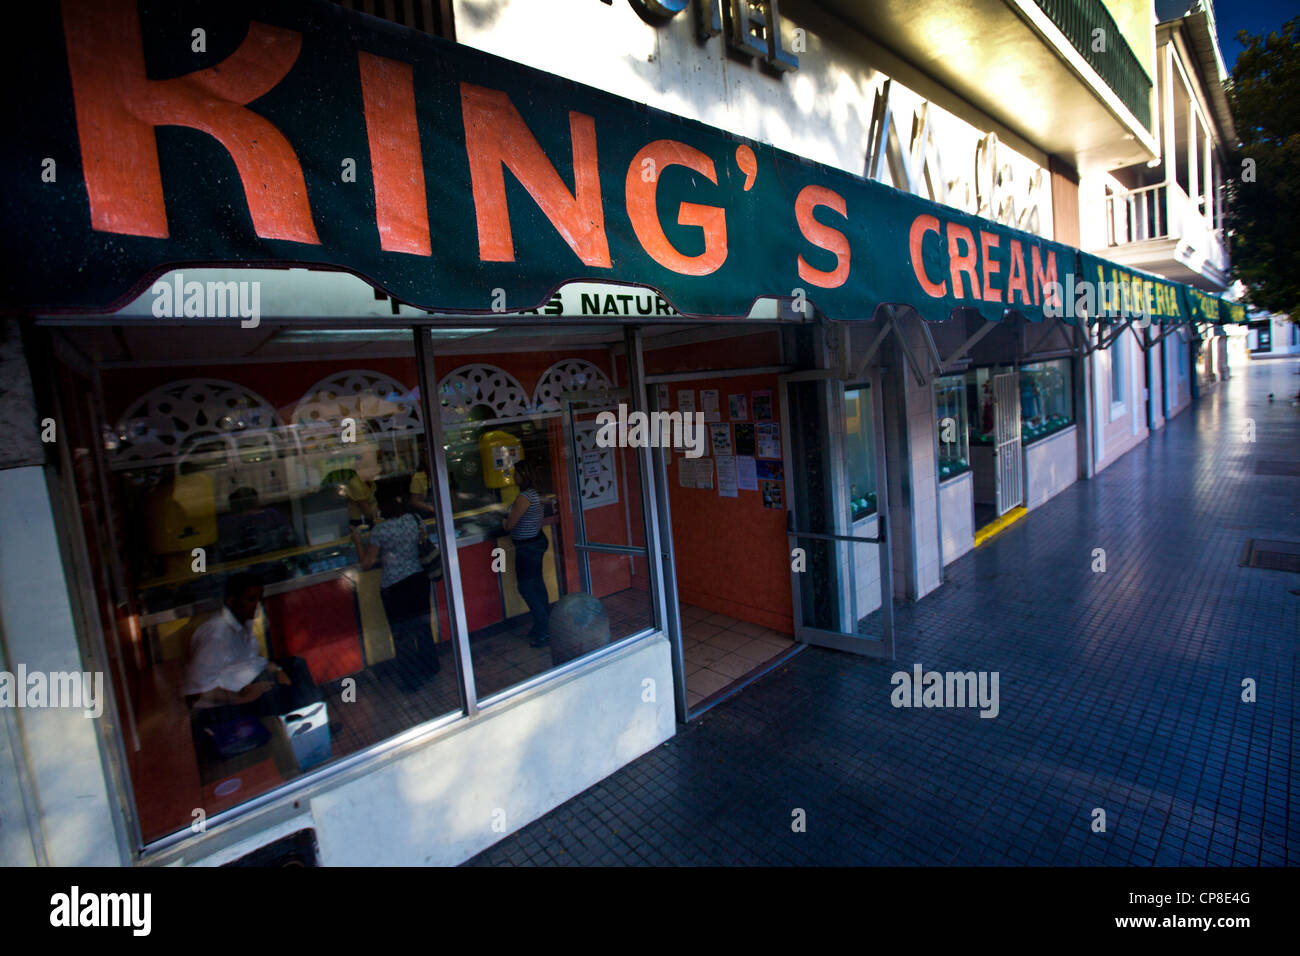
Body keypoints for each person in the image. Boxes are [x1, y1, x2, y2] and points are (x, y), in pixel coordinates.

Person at [183, 573, 327, 732]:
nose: (258, 605)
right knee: (278, 690)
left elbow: (252, 659)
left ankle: (317, 725)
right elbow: (196, 692)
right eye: (251, 599)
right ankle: (304, 731)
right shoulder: (217, 634)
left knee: (296, 665)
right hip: (226, 701)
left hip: (249, 680)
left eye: (260, 599)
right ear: (232, 601)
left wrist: (277, 669)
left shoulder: (243, 621)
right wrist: (241, 697)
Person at [351, 486, 441, 688]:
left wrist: (357, 541)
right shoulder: (415, 520)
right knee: (423, 626)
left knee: (402, 634)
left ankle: (411, 680)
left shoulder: (380, 530)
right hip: (419, 580)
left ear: (382, 505)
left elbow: (367, 563)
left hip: (395, 586)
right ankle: (431, 666)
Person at [501, 459, 550, 647]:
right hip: (535, 543)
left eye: (517, 473)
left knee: (526, 588)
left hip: (527, 548)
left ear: (524, 476)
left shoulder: (524, 498)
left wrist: (503, 519)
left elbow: (509, 526)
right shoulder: (534, 494)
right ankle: (542, 624)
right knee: (537, 584)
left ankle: (544, 629)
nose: (514, 477)